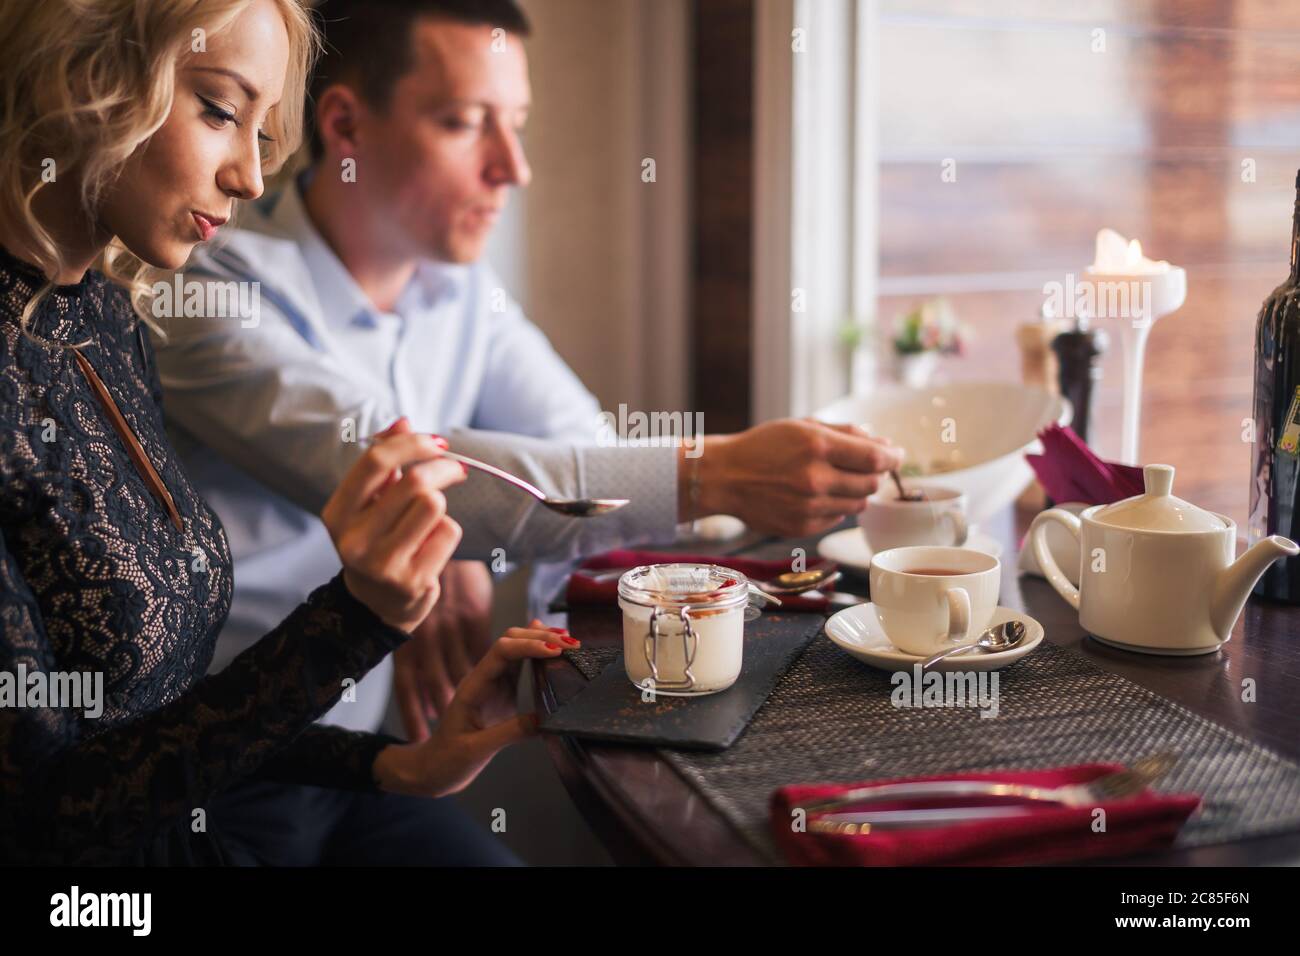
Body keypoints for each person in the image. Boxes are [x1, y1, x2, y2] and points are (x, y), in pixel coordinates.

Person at [154, 0, 906, 744]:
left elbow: (582, 448)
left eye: (514, 124)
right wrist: (720, 472)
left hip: (366, 754)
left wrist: (459, 531)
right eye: (464, 122)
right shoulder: (211, 293)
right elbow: (398, 477)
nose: (512, 167)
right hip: (217, 765)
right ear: (346, 125)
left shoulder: (461, 293)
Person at [0, 0, 555, 866]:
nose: (250, 177)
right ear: (86, 76)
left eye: (262, 129)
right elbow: (46, 814)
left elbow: (161, 707)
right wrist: (358, 620)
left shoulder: (108, 314)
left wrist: (394, 763)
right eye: (221, 110)